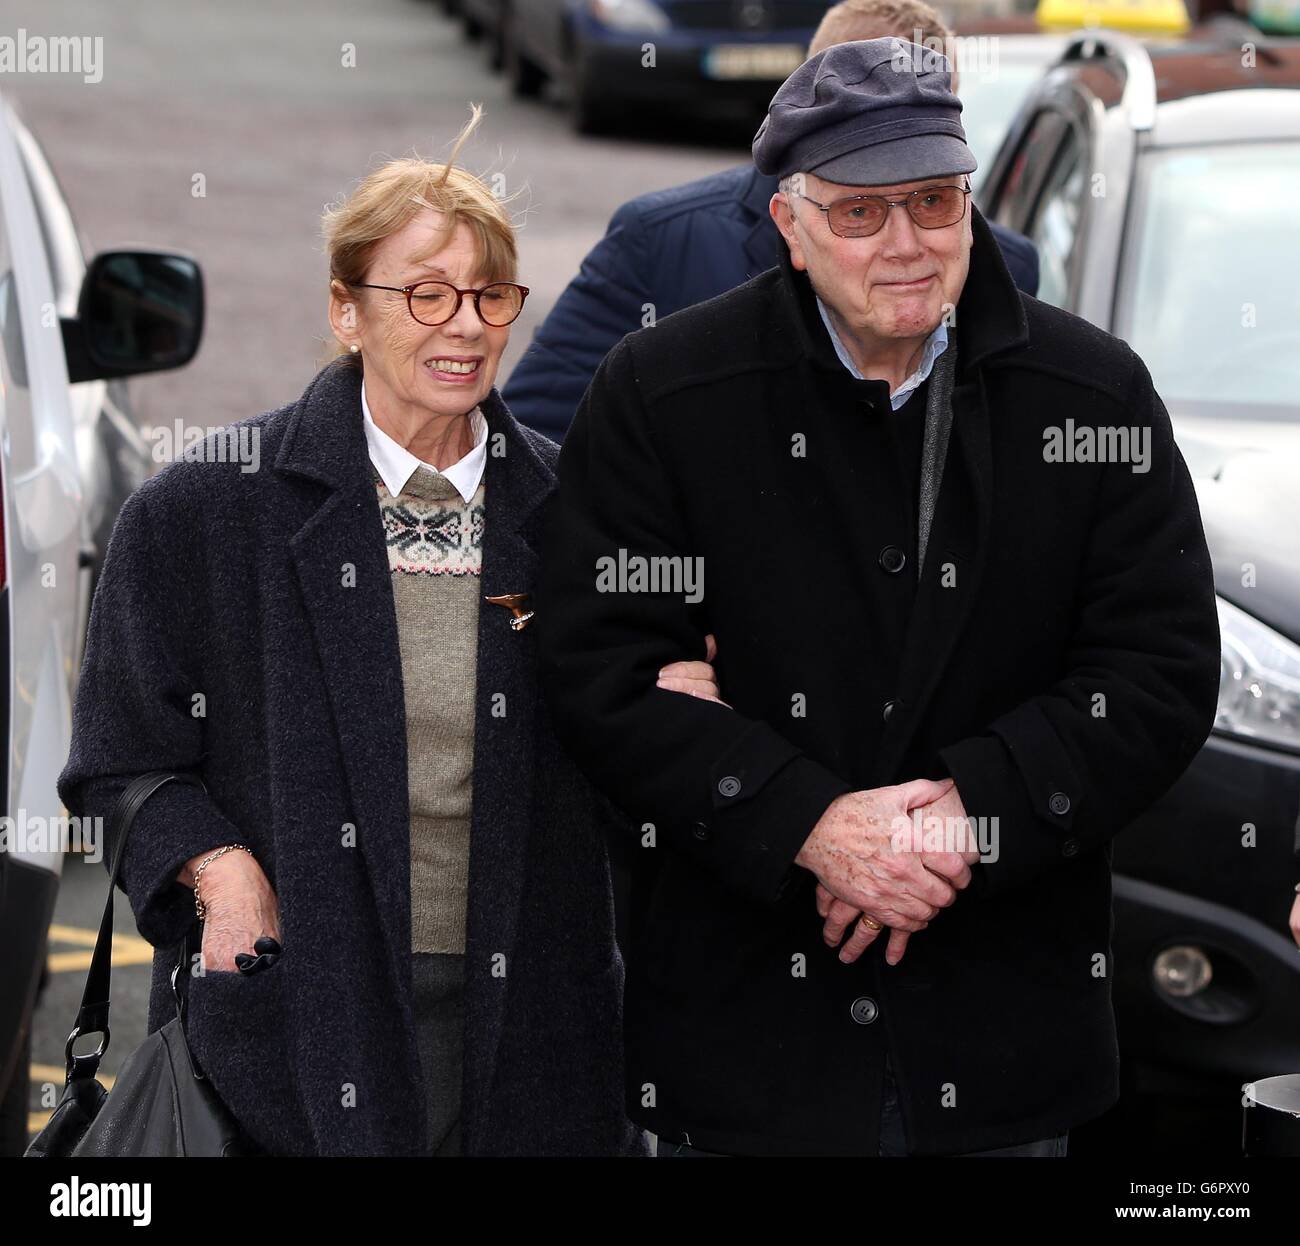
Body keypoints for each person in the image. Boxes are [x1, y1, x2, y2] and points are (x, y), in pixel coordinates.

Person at [536, 39, 1222, 1156]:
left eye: (932, 201)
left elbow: (1159, 671)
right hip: (747, 1037)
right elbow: (598, 664)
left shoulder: (1090, 393)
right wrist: (805, 821)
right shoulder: (666, 392)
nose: (906, 243)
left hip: (1004, 1037)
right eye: (861, 214)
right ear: (789, 226)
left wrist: (962, 817)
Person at [56, 106, 720, 1158]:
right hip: (293, 1018)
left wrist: (677, 714)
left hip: (536, 1026)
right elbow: (118, 761)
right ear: (346, 308)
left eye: (489, 295)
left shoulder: (580, 517)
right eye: (425, 293)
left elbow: (638, 768)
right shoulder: (202, 511)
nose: (463, 325)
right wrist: (219, 870)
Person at [503, 0, 1039, 443]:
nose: (904, 243)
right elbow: (537, 438)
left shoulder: (1002, 267)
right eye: (858, 210)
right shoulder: (663, 239)